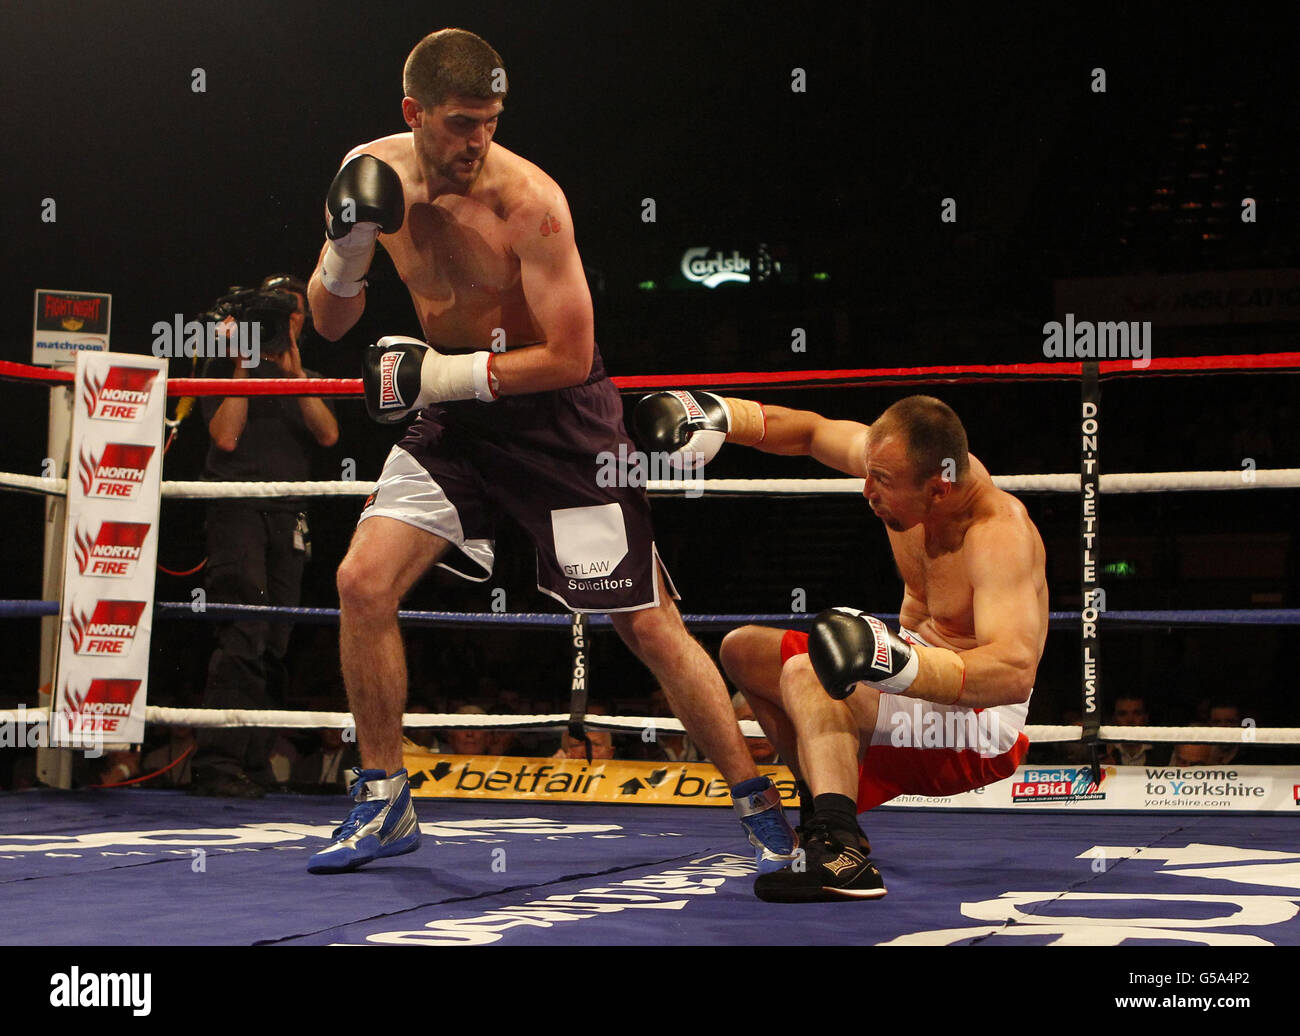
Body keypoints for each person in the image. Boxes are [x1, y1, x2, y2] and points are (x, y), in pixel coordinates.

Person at [303, 31, 796, 874]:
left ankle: (757, 804)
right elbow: (327, 323)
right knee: (360, 581)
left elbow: (569, 356)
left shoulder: (532, 203)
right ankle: (382, 797)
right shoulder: (370, 174)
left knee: (644, 624)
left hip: (559, 423)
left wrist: (438, 376)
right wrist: (347, 256)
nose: (477, 141)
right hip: (459, 425)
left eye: (491, 122)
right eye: (461, 123)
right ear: (413, 114)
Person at [647, 392, 1048, 902]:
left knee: (805, 673)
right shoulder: (904, 464)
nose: (867, 491)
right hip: (916, 685)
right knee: (743, 649)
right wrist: (722, 414)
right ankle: (826, 812)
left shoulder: (998, 535)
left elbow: (1014, 672)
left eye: (882, 482)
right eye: (869, 472)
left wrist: (899, 664)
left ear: (939, 489)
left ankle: (842, 856)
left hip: (977, 724)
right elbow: (812, 432)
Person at [191, 276, 339, 797]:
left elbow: (329, 435)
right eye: (277, 314)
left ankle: (252, 762)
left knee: (275, 643)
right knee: (243, 633)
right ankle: (216, 764)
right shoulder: (224, 370)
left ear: (303, 321)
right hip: (237, 510)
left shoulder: (305, 377)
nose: (287, 322)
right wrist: (240, 364)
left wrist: (295, 375)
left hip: (288, 517)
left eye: (294, 313)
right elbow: (226, 435)